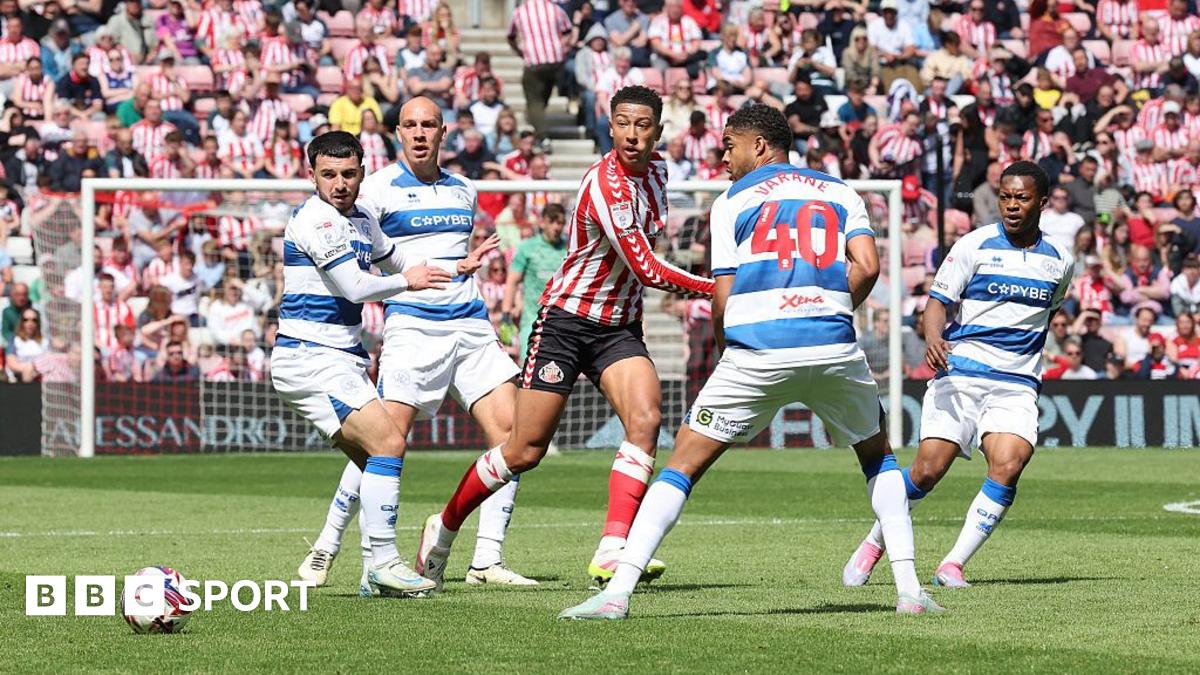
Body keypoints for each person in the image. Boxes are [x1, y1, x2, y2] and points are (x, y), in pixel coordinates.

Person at [559, 104, 938, 620]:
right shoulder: (841, 191)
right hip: (832, 343)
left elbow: (723, 295)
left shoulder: (731, 200)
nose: (723, 156)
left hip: (757, 349)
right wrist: (825, 305)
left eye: (729, 144)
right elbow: (867, 266)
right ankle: (911, 590)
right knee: (878, 456)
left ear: (759, 146)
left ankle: (617, 594)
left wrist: (724, 348)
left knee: (683, 465)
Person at [416, 86, 715, 591]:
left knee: (646, 419)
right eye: (623, 123)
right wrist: (716, 286)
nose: (632, 134)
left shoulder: (661, 172)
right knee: (523, 451)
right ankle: (443, 528)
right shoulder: (607, 185)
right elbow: (644, 266)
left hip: (618, 325)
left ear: (658, 131)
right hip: (567, 322)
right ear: (611, 126)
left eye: (643, 125)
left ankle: (613, 546)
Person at [297, 97, 533, 593]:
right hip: (412, 328)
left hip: (470, 324)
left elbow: (430, 257)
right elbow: (372, 255)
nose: (420, 133)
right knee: (380, 443)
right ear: (398, 132)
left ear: (444, 132)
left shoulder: (464, 190)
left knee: (513, 438)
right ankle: (328, 546)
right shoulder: (374, 188)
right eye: (411, 125)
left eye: (429, 125)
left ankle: (487, 558)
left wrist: (462, 267)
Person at [842, 161, 1074, 589]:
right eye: (1005, 197)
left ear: (1041, 203)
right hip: (960, 372)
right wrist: (933, 337)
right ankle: (875, 541)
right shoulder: (974, 245)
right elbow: (938, 300)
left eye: (1021, 198)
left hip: (1016, 384)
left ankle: (953, 564)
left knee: (1009, 464)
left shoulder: (1061, 261)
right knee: (928, 471)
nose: (1011, 206)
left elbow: (1048, 315)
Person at [274, 131, 452, 598]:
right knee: (390, 440)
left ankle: (364, 566)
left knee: (372, 456)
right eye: (328, 174)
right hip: (310, 357)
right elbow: (355, 287)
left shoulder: (361, 219)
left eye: (348, 174)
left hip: (339, 358)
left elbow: (398, 258)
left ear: (362, 173)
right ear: (311, 174)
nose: (339, 183)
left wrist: (454, 266)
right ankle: (385, 562)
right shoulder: (317, 220)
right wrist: (407, 285)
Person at [504, 203, 568, 363]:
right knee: (527, 369)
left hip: (562, 323)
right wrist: (506, 313)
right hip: (532, 320)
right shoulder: (527, 248)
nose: (556, 227)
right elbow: (512, 281)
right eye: (552, 221)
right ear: (542, 222)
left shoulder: (569, 249)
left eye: (560, 223)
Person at [508, 0, 571, 138]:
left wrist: (520, 52)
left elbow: (510, 36)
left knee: (534, 100)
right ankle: (536, 119)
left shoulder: (520, 12)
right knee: (543, 94)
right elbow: (568, 30)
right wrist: (562, 48)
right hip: (555, 61)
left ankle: (542, 135)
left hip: (535, 62)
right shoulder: (556, 9)